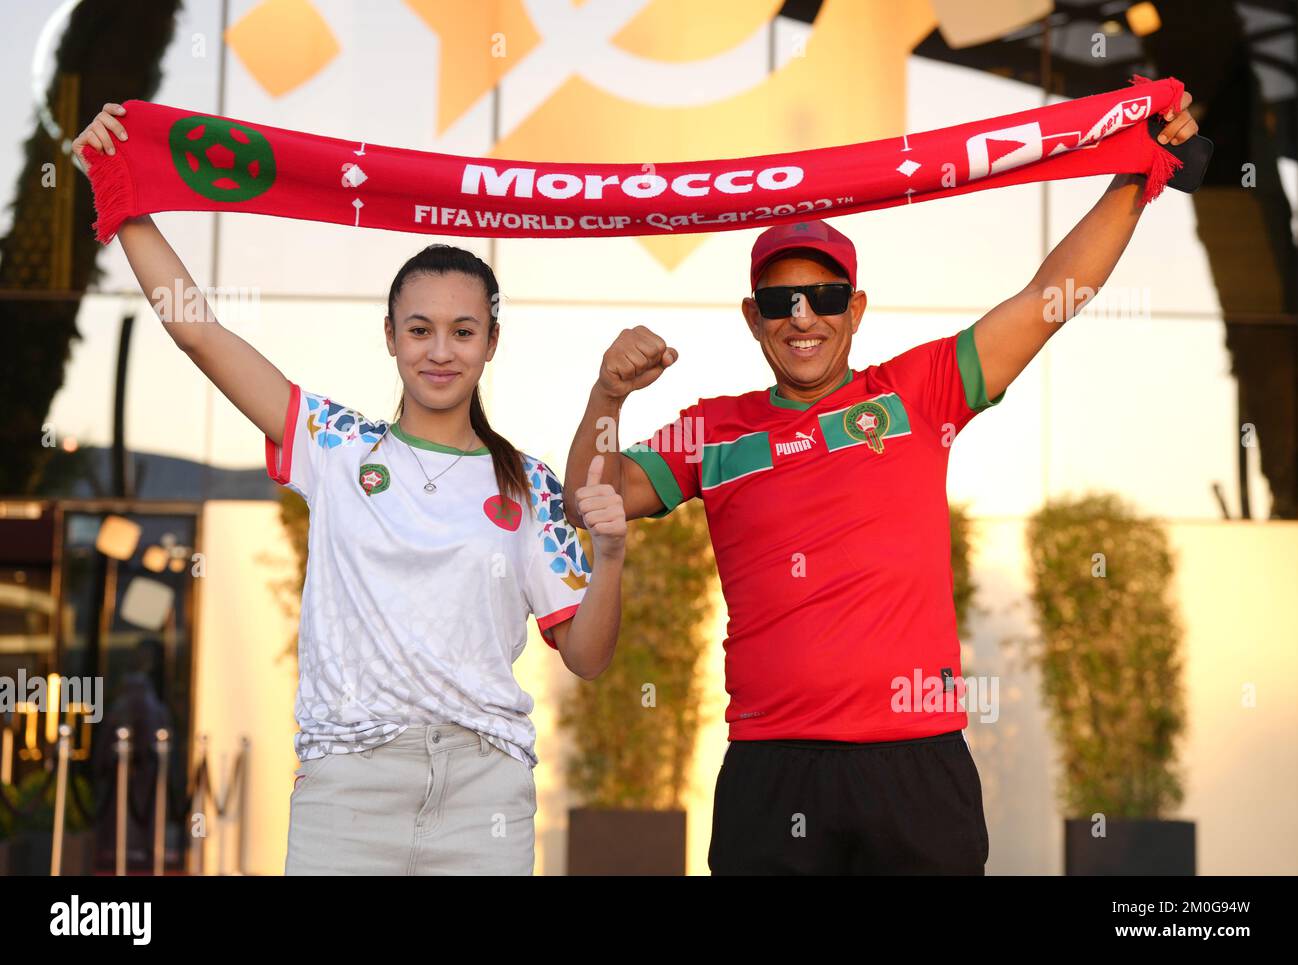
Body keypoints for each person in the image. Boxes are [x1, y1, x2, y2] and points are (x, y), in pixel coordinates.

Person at [561, 85, 1199, 876]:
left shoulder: (918, 391)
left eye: (824, 296)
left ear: (856, 308)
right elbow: (591, 498)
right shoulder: (712, 428)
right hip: (773, 768)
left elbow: (1048, 299)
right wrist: (608, 395)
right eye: (780, 300)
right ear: (753, 316)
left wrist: (1136, 176)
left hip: (916, 765)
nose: (803, 317)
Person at [73, 103, 628, 876]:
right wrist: (121, 188)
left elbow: (590, 658)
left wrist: (610, 555)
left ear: (491, 343)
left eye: (464, 331)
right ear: (392, 335)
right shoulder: (333, 445)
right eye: (420, 329)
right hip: (349, 787)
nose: (441, 351)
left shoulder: (526, 481)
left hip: (485, 794)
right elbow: (196, 328)